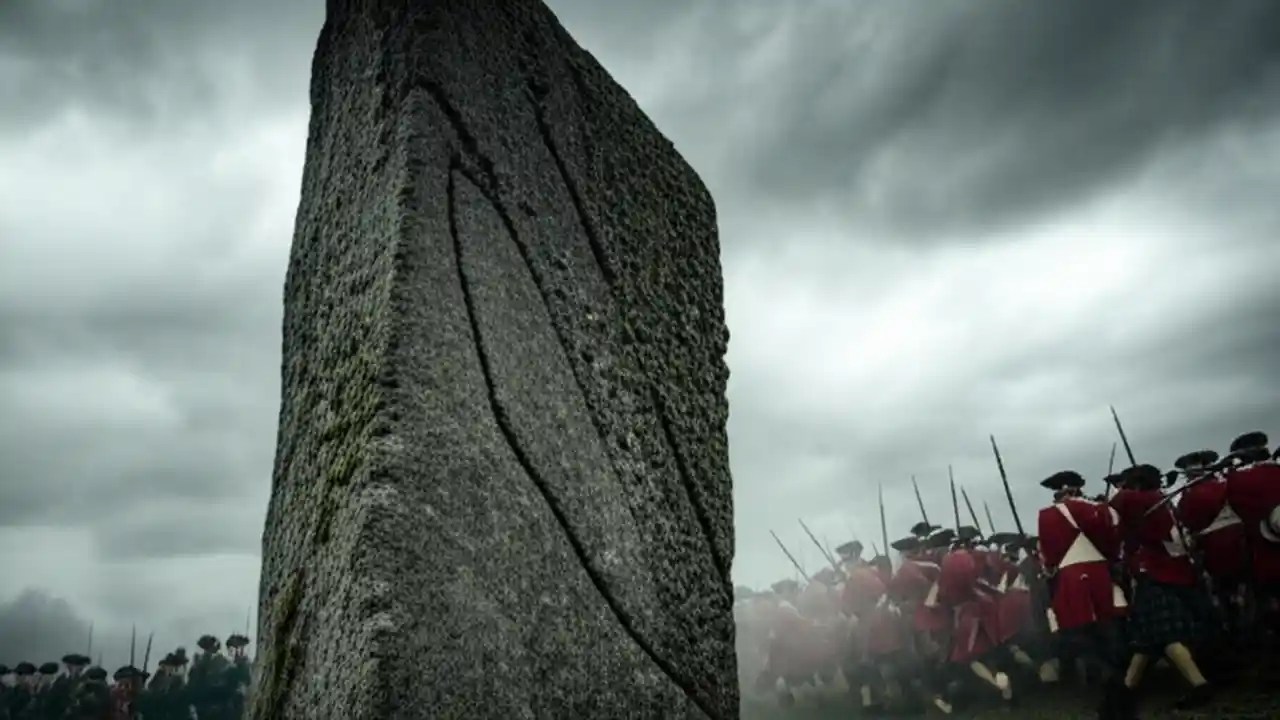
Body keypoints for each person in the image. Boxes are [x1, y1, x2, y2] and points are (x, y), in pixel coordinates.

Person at [1106, 463, 1214, 717]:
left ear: (1137, 484)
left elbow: (1116, 505)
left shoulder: (1138, 500)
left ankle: (1199, 685)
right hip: (1171, 573)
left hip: (1155, 573)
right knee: (1146, 639)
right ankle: (1125, 692)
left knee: (1164, 635)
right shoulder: (1162, 502)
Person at [1037, 470, 1124, 686]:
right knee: (1107, 621)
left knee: (1080, 626)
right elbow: (1113, 539)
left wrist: (1050, 568)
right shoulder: (1099, 509)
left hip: (1070, 574)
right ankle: (1118, 669)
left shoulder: (1047, 515)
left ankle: (1094, 671)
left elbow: (1049, 553)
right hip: (1100, 570)